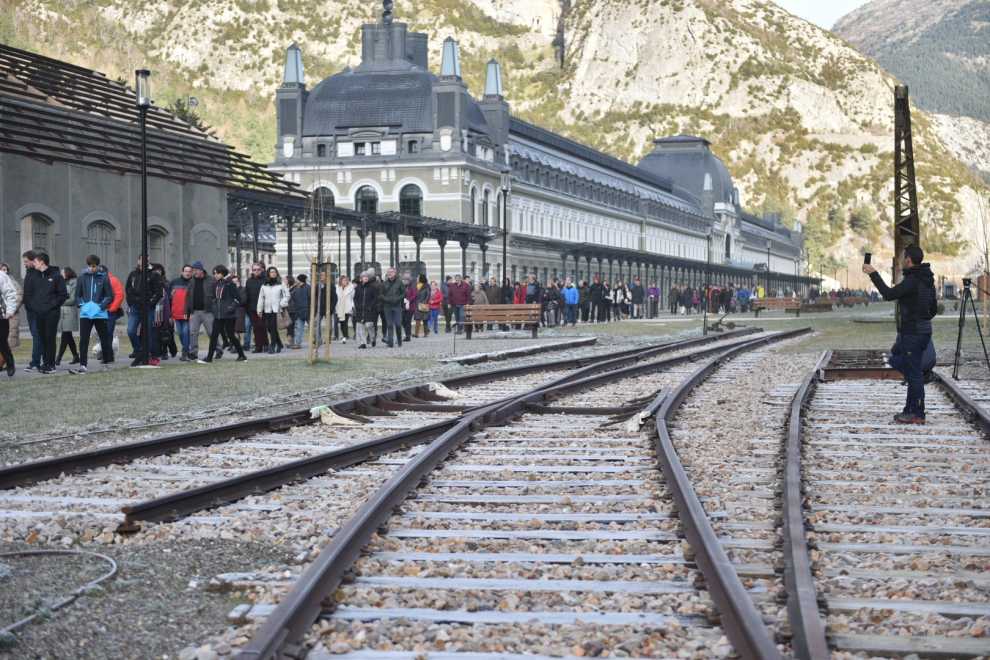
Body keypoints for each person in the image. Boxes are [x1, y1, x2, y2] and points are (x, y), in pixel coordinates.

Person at [863, 244, 937, 424]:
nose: (901, 261)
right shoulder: (927, 279)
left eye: (902, 257)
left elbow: (888, 294)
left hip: (912, 333)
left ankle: (917, 412)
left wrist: (873, 273)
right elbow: (933, 308)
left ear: (908, 259)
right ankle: (909, 410)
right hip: (923, 332)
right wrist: (922, 319)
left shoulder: (912, 281)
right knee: (913, 372)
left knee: (913, 375)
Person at [69, 255, 115, 375]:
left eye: (94, 266)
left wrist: (101, 306)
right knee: (83, 340)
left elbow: (110, 296)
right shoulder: (82, 278)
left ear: (98, 266)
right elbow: (77, 295)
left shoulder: (104, 278)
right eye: (89, 266)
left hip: (100, 314)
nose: (91, 269)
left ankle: (106, 363)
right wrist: (81, 305)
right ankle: (83, 366)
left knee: (104, 339)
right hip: (85, 314)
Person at [26, 253, 69, 373]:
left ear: (42, 262)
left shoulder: (56, 276)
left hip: (52, 312)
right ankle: (45, 362)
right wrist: (35, 306)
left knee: (50, 338)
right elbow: (30, 294)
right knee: (42, 338)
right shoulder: (35, 277)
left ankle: (51, 365)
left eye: (35, 261)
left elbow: (62, 295)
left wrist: (51, 305)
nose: (33, 263)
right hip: (39, 313)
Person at [197, 265, 247, 363]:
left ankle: (242, 355)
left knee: (231, 336)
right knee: (214, 335)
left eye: (217, 273)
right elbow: (215, 298)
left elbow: (237, 298)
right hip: (218, 315)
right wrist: (215, 307)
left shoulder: (230, 284)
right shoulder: (217, 284)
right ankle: (209, 358)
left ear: (223, 273)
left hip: (229, 315)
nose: (215, 275)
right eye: (214, 273)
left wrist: (229, 309)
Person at [124, 255, 165, 366]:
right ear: (138, 261)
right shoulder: (133, 274)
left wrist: (151, 304)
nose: (146, 262)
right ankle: (139, 353)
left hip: (148, 308)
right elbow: (127, 289)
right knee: (131, 331)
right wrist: (130, 303)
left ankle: (147, 356)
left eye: (148, 260)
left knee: (147, 332)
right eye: (143, 260)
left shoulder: (154, 275)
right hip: (135, 307)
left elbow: (159, 292)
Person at [184, 262, 218, 361]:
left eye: (195, 270)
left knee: (211, 332)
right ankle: (193, 353)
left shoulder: (211, 280)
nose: (194, 272)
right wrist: (186, 310)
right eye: (193, 271)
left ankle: (218, 349)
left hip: (207, 310)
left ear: (201, 270)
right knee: (193, 333)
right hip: (194, 311)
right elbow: (188, 296)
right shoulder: (191, 281)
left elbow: (217, 294)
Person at [257, 266, 290, 354]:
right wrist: (259, 310)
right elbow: (261, 298)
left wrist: (282, 303)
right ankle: (279, 343)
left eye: (275, 272)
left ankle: (272, 346)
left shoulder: (281, 284)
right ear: (268, 273)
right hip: (267, 309)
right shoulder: (264, 284)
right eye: (272, 272)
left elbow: (287, 295)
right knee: (269, 328)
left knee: (273, 327)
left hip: (277, 309)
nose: (274, 273)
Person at [21, 251, 44, 371]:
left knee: (37, 335)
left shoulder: (39, 272)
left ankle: (35, 362)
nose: (25, 263)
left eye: (26, 261)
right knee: (37, 335)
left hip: (38, 310)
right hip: (29, 309)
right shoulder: (29, 271)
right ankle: (44, 360)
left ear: (32, 260)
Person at [56, 267, 80, 366]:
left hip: (70, 312)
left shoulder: (74, 284)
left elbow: (72, 300)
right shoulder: (61, 284)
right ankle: (76, 356)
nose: (61, 274)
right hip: (62, 313)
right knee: (68, 335)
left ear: (66, 274)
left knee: (65, 335)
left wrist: (58, 301)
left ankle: (59, 357)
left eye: (62, 273)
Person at [170, 265, 193, 360]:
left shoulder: (193, 283)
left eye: (189, 271)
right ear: (182, 271)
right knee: (180, 333)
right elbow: (169, 298)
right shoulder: (174, 282)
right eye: (186, 271)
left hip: (187, 313)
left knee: (185, 332)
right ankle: (186, 349)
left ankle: (185, 351)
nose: (187, 273)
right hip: (176, 312)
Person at [244, 262, 268, 354]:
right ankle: (259, 346)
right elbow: (247, 295)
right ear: (252, 270)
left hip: (262, 308)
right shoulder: (249, 281)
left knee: (262, 326)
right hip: (251, 308)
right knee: (255, 327)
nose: (257, 271)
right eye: (255, 270)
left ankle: (266, 344)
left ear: (261, 270)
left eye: (258, 269)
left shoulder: (265, 280)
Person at [378, 267, 404, 348]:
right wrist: (386, 299)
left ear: (395, 273)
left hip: (397, 306)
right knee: (389, 324)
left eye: (391, 272)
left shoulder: (399, 283)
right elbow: (381, 294)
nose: (389, 273)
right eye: (388, 272)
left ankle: (399, 338)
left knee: (398, 324)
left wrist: (398, 299)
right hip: (387, 307)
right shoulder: (385, 283)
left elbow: (404, 293)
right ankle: (390, 342)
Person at [0, 265, 18, 376]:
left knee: (2, 341)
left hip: (1, 315)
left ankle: (10, 363)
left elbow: (11, 293)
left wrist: (10, 310)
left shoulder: (2, 276)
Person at [353, 271, 379, 349]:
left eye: (367, 276)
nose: (366, 278)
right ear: (361, 279)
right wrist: (357, 306)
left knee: (369, 325)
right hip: (360, 310)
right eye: (364, 276)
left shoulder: (372, 287)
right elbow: (355, 298)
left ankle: (372, 338)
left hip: (369, 310)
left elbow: (375, 298)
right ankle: (363, 343)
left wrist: (371, 306)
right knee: (360, 327)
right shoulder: (358, 288)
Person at [334, 275, 354, 344]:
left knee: (345, 322)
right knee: (341, 323)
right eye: (344, 280)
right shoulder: (337, 288)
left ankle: (345, 336)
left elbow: (353, 297)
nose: (345, 282)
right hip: (339, 307)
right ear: (341, 281)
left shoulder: (351, 288)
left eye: (346, 280)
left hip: (347, 307)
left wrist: (352, 306)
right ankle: (344, 336)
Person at [413, 273, 431, 338]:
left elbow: (428, 295)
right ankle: (416, 333)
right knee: (417, 319)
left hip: (424, 305)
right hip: (417, 304)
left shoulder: (426, 286)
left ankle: (426, 333)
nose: (417, 278)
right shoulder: (416, 285)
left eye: (418, 277)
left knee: (425, 319)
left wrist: (424, 302)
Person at [402, 272, 417, 341]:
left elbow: (415, 295)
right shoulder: (401, 286)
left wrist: (409, 300)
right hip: (402, 305)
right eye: (405, 279)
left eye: (407, 279)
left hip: (410, 306)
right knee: (403, 321)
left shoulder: (413, 286)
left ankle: (408, 335)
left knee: (408, 320)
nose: (406, 280)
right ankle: (407, 332)